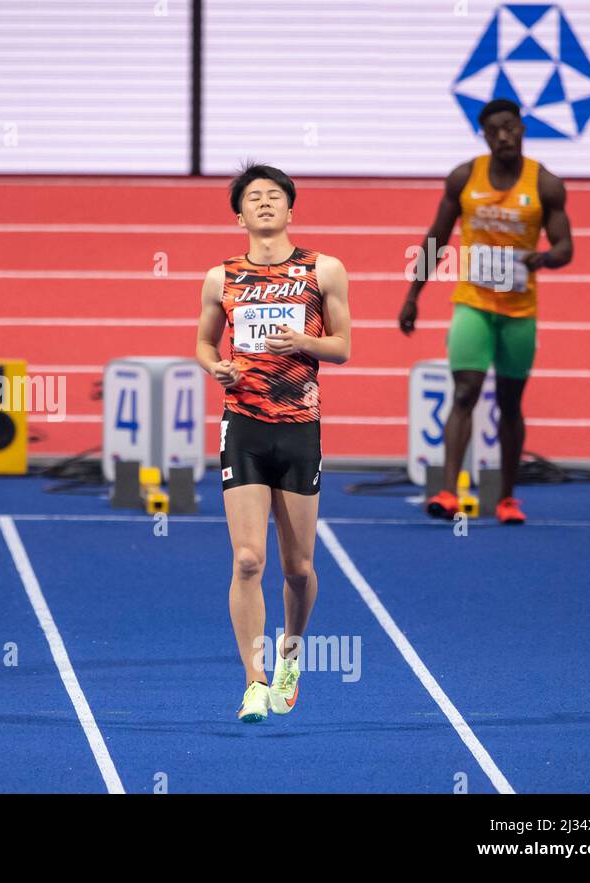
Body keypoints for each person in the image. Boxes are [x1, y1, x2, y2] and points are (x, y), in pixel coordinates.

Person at [195, 164, 352, 723]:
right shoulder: (221, 277)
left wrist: (303, 340)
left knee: (299, 568)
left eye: (274, 196)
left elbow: (342, 348)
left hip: (299, 428)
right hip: (243, 426)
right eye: (254, 198)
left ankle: (291, 653)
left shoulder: (322, 269)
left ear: (290, 209)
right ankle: (254, 681)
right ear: (239, 215)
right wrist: (218, 368)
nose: (264, 203)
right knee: (246, 559)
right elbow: (203, 343)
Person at [399, 98, 574, 524]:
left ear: (522, 129)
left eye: (510, 127)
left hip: (519, 310)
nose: (503, 136)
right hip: (473, 304)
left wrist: (545, 259)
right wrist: (412, 295)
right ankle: (448, 491)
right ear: (484, 134)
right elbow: (436, 239)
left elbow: (566, 247)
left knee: (511, 403)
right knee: (464, 393)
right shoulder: (464, 178)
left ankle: (507, 499)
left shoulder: (545, 184)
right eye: (494, 130)